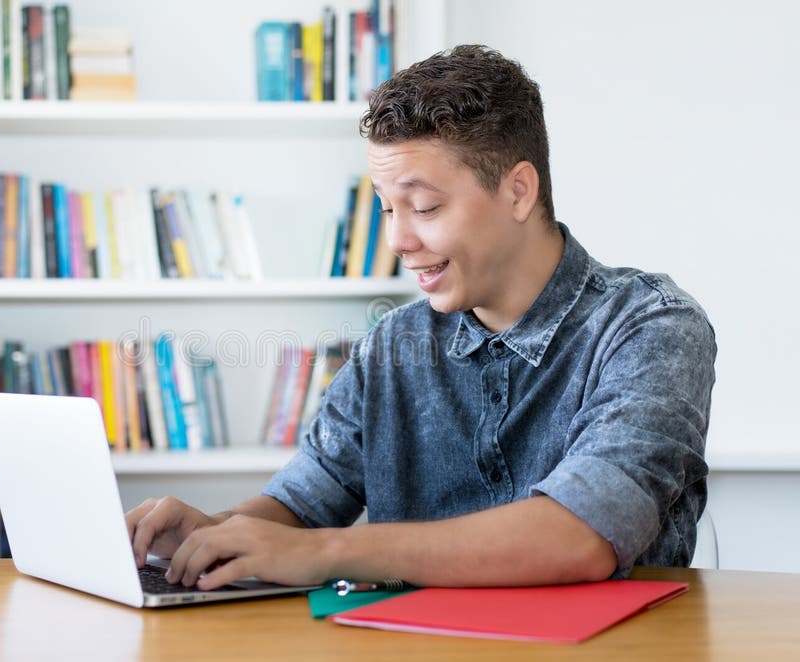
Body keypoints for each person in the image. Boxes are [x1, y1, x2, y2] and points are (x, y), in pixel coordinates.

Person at [126, 45, 717, 591]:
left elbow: (582, 536)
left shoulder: (651, 329)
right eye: (386, 208)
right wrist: (212, 534)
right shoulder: (393, 344)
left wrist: (328, 553)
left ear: (518, 192)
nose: (399, 240)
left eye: (425, 206)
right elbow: (301, 505)